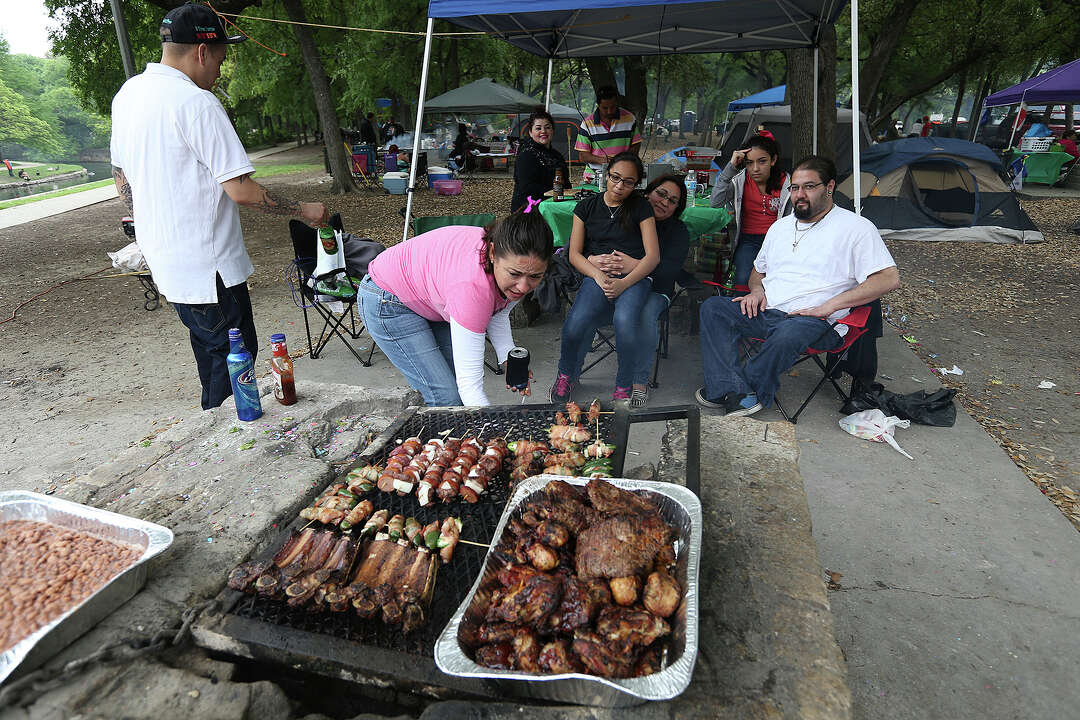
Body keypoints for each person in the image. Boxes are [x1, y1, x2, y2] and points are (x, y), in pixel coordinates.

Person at [110, 3, 327, 411]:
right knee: (232, 365)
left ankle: (221, 430)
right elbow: (241, 190)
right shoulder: (197, 103)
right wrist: (305, 209)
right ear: (202, 52)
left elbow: (121, 176)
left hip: (167, 263)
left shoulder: (129, 94)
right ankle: (225, 445)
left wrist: (149, 225)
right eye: (221, 60)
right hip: (208, 270)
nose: (220, 72)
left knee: (211, 357)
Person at [695, 156, 900, 416]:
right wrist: (757, 291)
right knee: (713, 308)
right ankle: (735, 389)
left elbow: (888, 278)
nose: (799, 195)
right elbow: (758, 271)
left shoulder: (856, 228)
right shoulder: (780, 227)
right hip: (767, 311)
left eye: (809, 187)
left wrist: (828, 307)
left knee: (789, 332)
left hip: (816, 321)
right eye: (794, 187)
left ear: (830, 187)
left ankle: (735, 388)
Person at [358, 211, 553, 406]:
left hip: (432, 297)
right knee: (446, 398)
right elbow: (471, 386)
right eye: (514, 274)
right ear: (493, 254)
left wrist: (507, 357)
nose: (524, 287)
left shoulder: (512, 265)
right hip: (387, 298)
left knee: (455, 388)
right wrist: (493, 431)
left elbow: (497, 312)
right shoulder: (471, 286)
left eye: (535, 276)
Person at [563, 173, 690, 407]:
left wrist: (637, 267)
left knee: (643, 315)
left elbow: (670, 272)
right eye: (661, 194)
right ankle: (570, 374)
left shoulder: (677, 231)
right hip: (613, 285)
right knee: (586, 313)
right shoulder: (626, 213)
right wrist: (593, 259)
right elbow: (588, 245)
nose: (664, 202)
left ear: (677, 208)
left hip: (655, 290)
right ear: (647, 192)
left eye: (672, 201)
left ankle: (638, 382)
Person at [549, 152, 660, 403]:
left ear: (636, 184)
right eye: (615, 178)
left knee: (624, 320)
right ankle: (566, 374)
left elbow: (652, 257)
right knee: (576, 320)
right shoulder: (586, 207)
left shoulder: (641, 208)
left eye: (628, 182)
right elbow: (575, 255)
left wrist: (623, 283)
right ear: (606, 174)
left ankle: (623, 385)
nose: (620, 186)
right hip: (596, 276)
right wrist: (598, 275)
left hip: (634, 278)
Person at [709, 132, 790, 286]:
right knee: (742, 279)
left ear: (773, 160)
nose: (755, 169)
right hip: (749, 240)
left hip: (778, 241)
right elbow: (715, 202)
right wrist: (731, 167)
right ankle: (742, 309)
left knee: (775, 281)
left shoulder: (788, 183)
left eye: (762, 161)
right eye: (749, 163)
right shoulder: (740, 179)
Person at [574, 86, 643, 182]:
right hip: (594, 176)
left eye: (613, 107)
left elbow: (636, 143)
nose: (609, 111)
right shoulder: (587, 124)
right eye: (605, 108)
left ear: (617, 103)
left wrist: (622, 159)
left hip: (623, 174)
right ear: (598, 104)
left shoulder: (629, 118)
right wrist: (604, 160)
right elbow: (582, 156)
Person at [511, 107, 568, 212]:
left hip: (555, 206)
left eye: (547, 127)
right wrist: (555, 190)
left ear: (552, 130)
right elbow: (527, 187)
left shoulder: (557, 155)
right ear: (531, 132)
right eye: (538, 128)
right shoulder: (526, 154)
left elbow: (566, 183)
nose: (543, 131)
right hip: (529, 210)